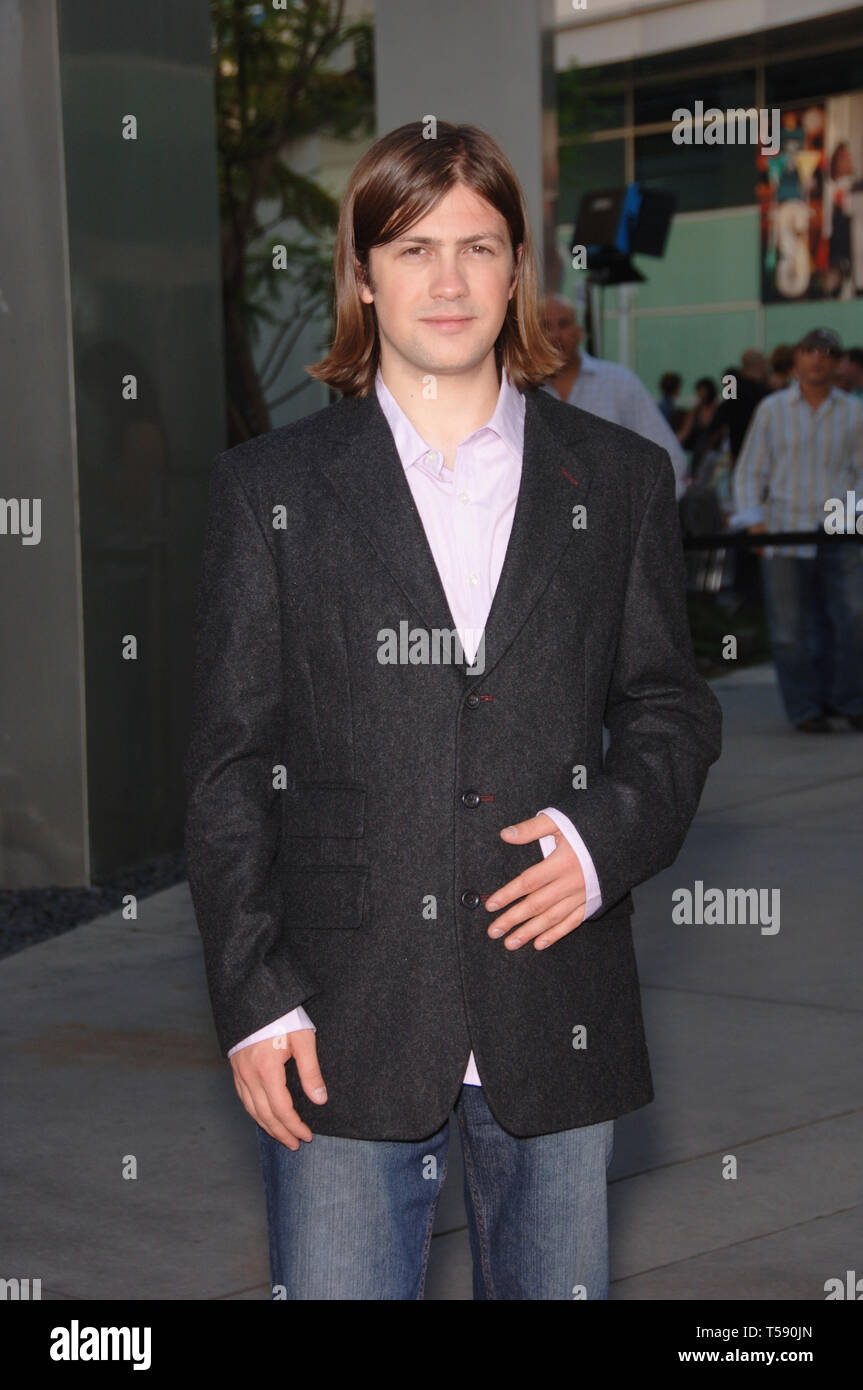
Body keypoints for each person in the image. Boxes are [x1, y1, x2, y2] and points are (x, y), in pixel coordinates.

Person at [183, 120, 722, 1301]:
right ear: (362, 277)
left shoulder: (615, 480)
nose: (446, 279)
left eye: (477, 246)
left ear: (515, 269)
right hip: (336, 1017)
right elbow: (228, 768)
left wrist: (599, 843)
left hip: (557, 1003)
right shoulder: (267, 490)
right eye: (412, 247)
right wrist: (251, 994)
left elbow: (669, 711)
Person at [733, 327, 863, 733]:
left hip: (840, 532)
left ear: (839, 361)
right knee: (790, 630)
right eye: (811, 351)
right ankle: (805, 708)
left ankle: (849, 700)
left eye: (828, 352)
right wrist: (752, 520)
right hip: (784, 529)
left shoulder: (855, 411)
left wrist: (850, 517)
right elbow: (751, 468)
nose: (819, 359)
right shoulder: (773, 409)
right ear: (797, 359)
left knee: (853, 618)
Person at [539, 295, 689, 497]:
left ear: (579, 333)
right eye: (545, 326)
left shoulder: (618, 382)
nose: (555, 335)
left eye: (564, 324)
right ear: (531, 335)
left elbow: (669, 458)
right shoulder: (519, 393)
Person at [712, 348, 772, 467]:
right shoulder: (767, 395)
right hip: (762, 452)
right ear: (762, 364)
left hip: (737, 452)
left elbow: (721, 418)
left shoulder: (733, 392)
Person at [677, 377, 719, 481]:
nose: (699, 394)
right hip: (698, 449)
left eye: (702, 391)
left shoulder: (717, 410)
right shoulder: (695, 410)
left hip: (712, 449)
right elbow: (685, 430)